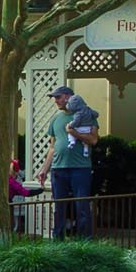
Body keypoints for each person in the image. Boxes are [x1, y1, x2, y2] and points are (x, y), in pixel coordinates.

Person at [45, 85, 99, 238]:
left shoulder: (87, 115)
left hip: (80, 169)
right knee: (59, 207)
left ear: (68, 97)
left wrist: (73, 132)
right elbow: (52, 147)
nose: (56, 101)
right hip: (58, 169)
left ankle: (84, 241)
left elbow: (93, 140)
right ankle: (58, 240)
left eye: (58, 97)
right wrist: (44, 170)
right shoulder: (56, 118)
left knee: (81, 205)